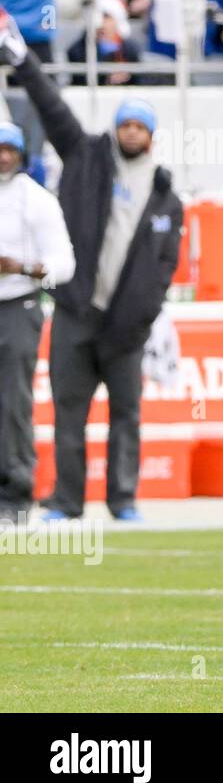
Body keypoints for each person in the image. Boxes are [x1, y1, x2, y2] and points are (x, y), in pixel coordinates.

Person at [0, 19, 182, 522]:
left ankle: (123, 499)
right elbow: (53, 109)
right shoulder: (87, 159)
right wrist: (21, 61)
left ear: (151, 135)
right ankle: (66, 499)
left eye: (139, 126)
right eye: (124, 123)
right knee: (68, 412)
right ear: (116, 127)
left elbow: (166, 265)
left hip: (127, 324)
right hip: (77, 309)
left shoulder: (167, 195)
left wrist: (145, 313)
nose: (130, 132)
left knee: (127, 414)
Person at [0, 121, 75, 523]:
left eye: (10, 149)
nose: (3, 156)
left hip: (18, 305)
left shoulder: (36, 199)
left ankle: (15, 493)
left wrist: (23, 268)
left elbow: (65, 265)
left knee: (12, 402)